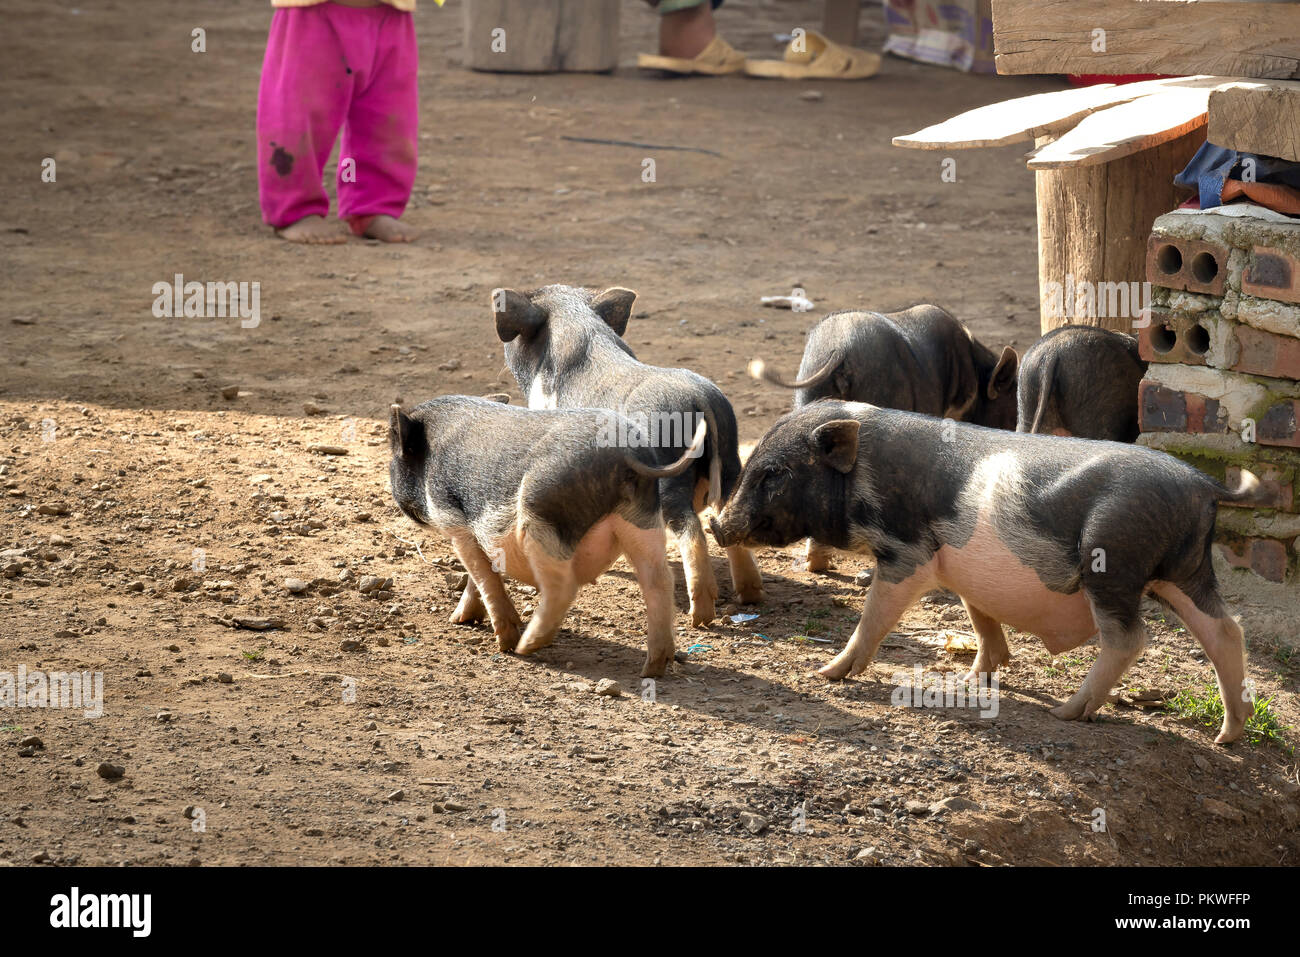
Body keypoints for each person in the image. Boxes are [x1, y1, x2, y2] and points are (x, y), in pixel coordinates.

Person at [256, 0, 421, 244]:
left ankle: (372, 205)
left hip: (391, 13)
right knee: (299, 114)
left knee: (388, 119)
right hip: (312, 14)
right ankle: (293, 208)